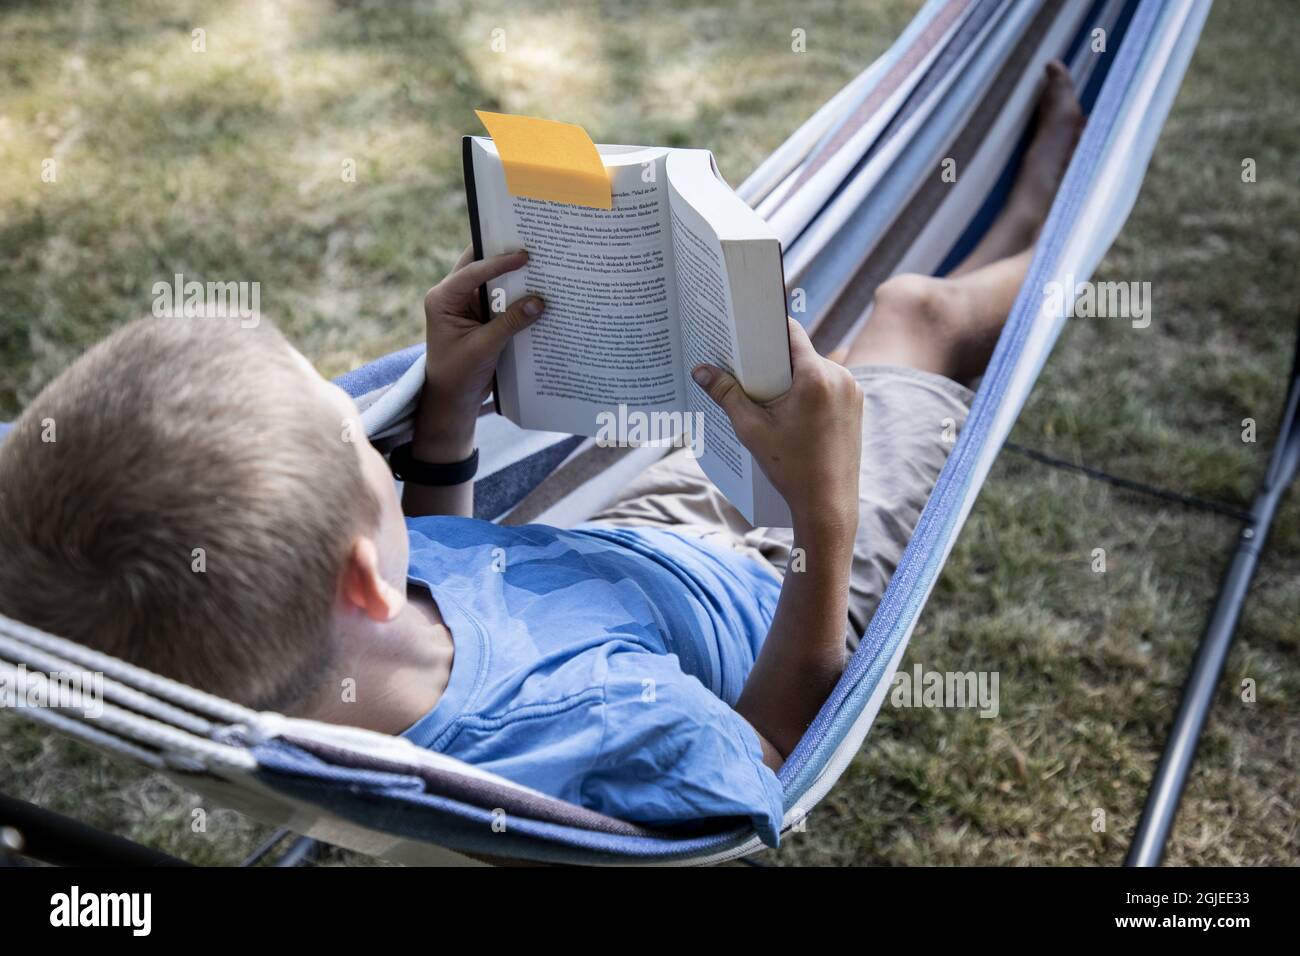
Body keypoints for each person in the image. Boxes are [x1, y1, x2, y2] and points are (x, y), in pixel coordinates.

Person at [0, 64, 1081, 846]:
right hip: (782, 582)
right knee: (908, 313)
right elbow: (763, 755)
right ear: (362, 577)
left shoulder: (324, 667)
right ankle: (1047, 220)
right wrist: (821, 511)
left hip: (639, 551)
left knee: (771, 367)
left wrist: (444, 415)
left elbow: (433, 553)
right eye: (348, 428)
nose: (359, 417)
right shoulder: (608, 736)